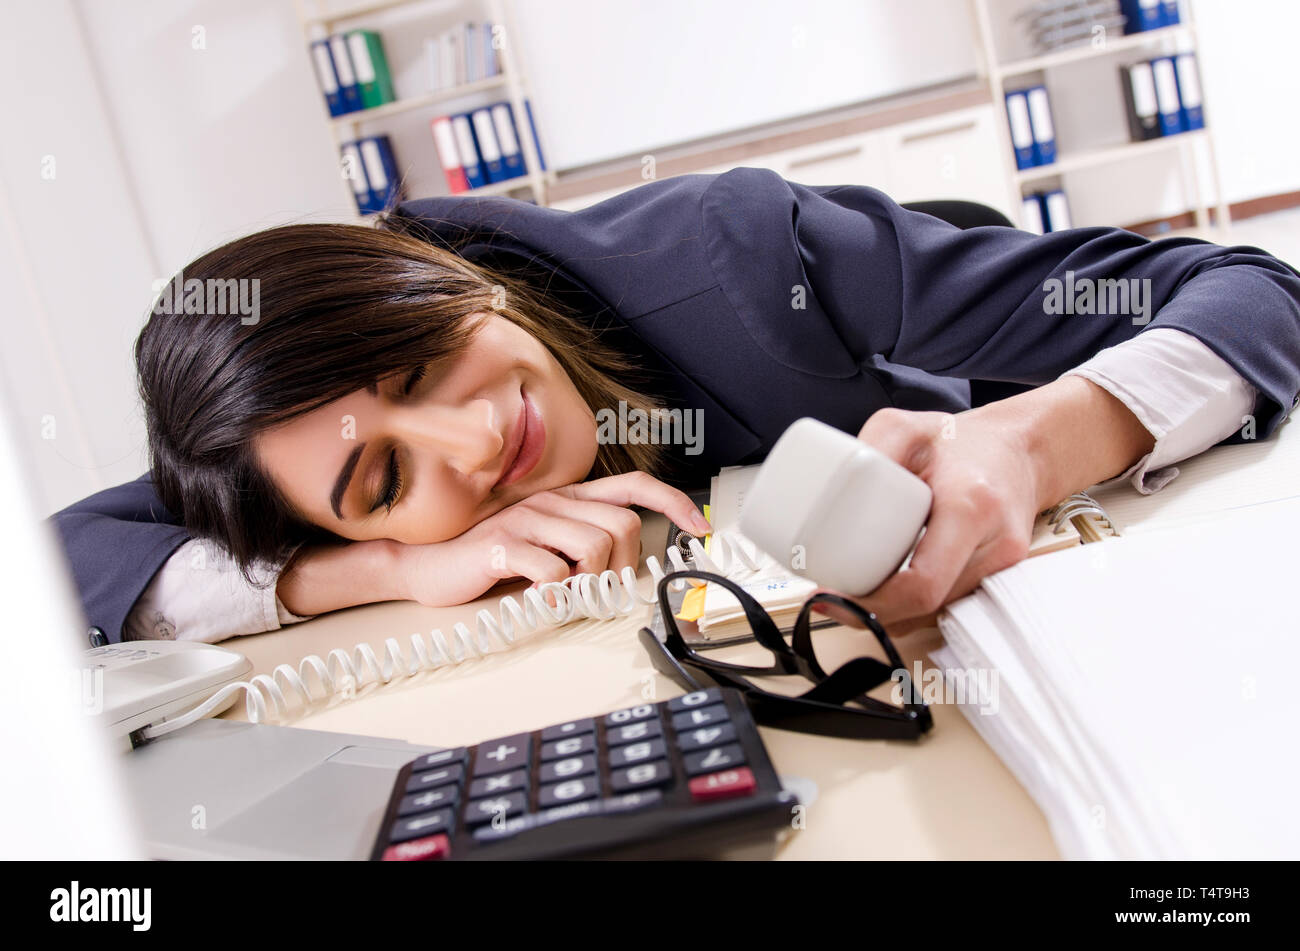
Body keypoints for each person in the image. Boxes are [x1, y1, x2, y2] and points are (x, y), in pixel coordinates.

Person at [50, 167, 1300, 645]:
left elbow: (1247, 288)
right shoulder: (265, 462)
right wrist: (375, 569)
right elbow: (55, 563)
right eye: (381, 478)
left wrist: (1034, 438)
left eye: (425, 366)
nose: (477, 439)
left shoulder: (747, 258)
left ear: (450, 276)